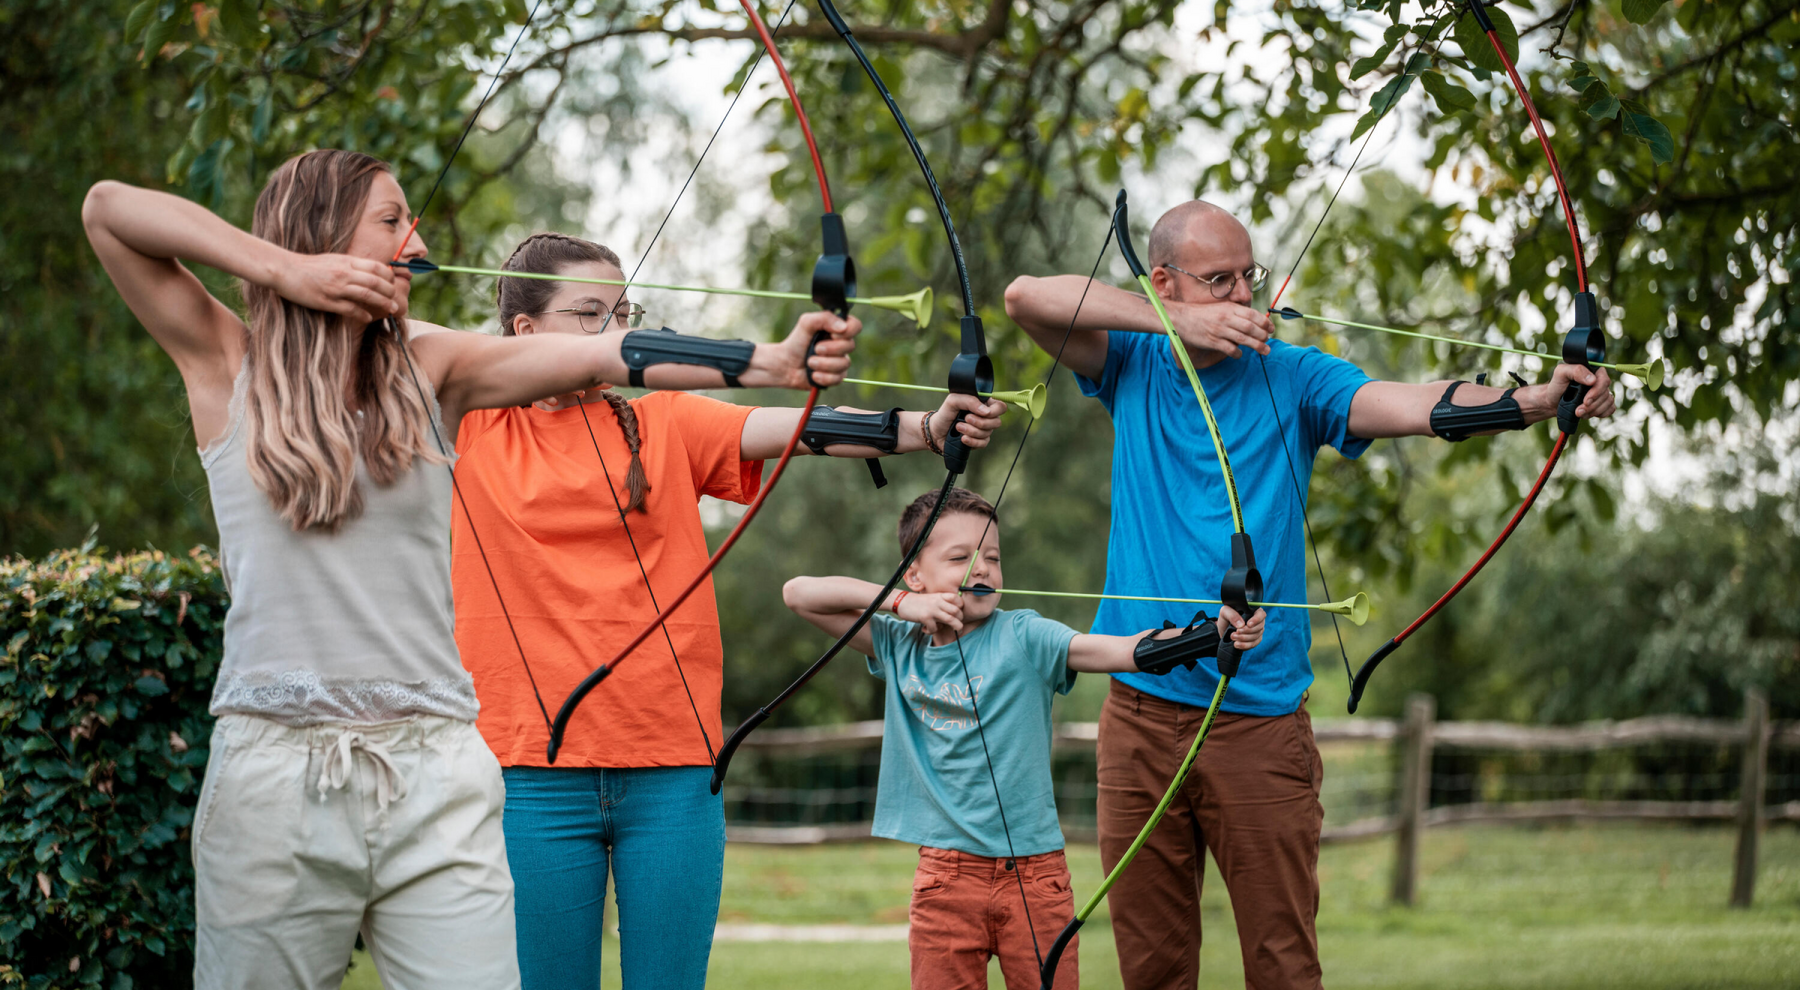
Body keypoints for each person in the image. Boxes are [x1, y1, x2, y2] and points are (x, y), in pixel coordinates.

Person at [79, 149, 857, 990]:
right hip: (277, 772)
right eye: (390, 220)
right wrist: (286, 272)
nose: (415, 242)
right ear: (320, 233)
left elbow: (605, 357)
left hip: (436, 767)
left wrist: (770, 362)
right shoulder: (224, 362)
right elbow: (108, 204)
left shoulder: (431, 367)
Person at [1002, 199, 1617, 989]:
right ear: (1165, 283)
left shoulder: (1293, 375)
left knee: (1284, 967)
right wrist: (1173, 326)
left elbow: (1409, 405)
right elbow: (1025, 298)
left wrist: (1533, 401)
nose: (1240, 299)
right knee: (1151, 970)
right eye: (1217, 281)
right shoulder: (1130, 361)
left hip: (1257, 721)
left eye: (1247, 278)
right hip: (1140, 715)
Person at [429, 231, 1010, 990]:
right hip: (526, 771)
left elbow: (798, 429)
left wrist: (928, 429)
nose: (617, 334)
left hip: (671, 769)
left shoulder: (662, 420)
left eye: (625, 312)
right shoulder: (462, 424)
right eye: (591, 314)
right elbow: (397, 352)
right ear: (523, 331)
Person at [782, 486, 1264, 990]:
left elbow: (1116, 651)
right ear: (915, 574)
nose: (982, 569)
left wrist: (1213, 635)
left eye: (992, 556)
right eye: (960, 557)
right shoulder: (897, 643)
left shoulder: (1025, 635)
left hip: (1035, 879)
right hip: (944, 879)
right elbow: (800, 593)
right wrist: (904, 606)